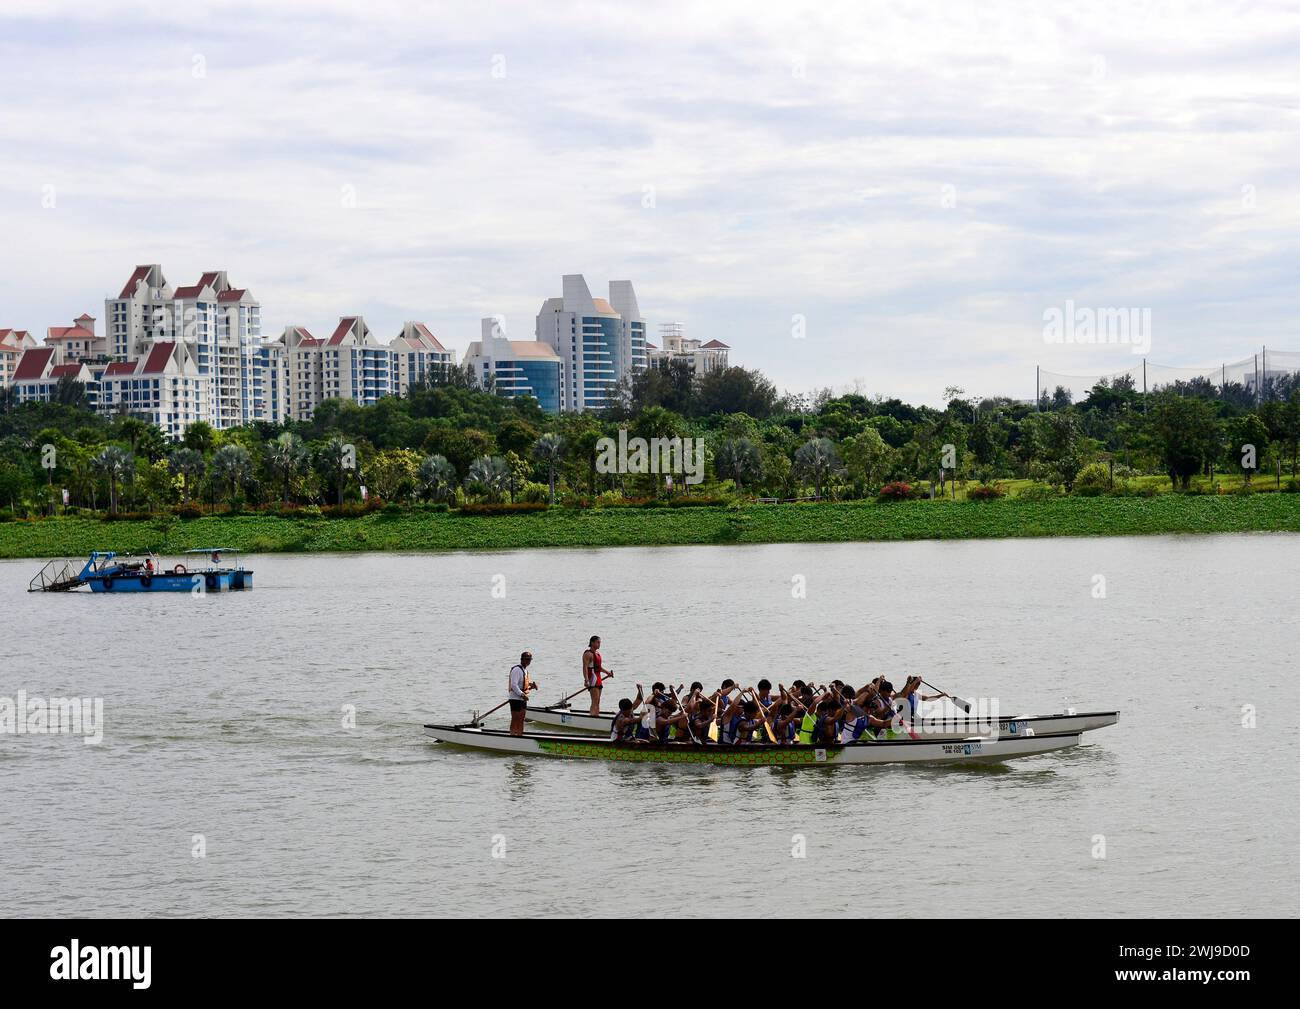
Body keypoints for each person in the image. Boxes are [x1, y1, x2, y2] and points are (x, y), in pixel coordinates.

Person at [508, 651, 538, 736]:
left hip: (522, 698)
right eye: (527, 659)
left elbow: (524, 684)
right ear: (522, 659)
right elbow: (514, 685)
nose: (529, 661)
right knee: (515, 719)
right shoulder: (517, 670)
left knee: (521, 719)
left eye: (530, 659)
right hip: (515, 698)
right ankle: (512, 736)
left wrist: (532, 685)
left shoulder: (525, 670)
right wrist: (522, 694)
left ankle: (520, 736)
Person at [583, 636, 613, 716]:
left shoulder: (597, 654)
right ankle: (592, 718)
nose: (599, 644)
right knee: (594, 701)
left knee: (598, 701)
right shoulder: (587, 654)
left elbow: (599, 668)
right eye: (598, 642)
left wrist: (607, 673)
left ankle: (597, 716)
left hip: (598, 678)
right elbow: (585, 668)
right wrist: (586, 680)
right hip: (592, 679)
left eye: (600, 642)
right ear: (592, 643)